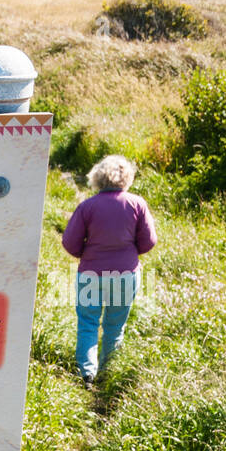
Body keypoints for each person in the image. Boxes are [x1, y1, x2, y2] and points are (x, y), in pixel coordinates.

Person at [61, 154, 158, 384]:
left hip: (91, 274)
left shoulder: (87, 206)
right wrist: (131, 252)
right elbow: (149, 241)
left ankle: (86, 372)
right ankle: (107, 373)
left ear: (98, 177)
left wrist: (85, 254)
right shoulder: (137, 204)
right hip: (125, 275)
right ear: (127, 178)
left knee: (88, 323)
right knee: (115, 325)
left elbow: (69, 242)